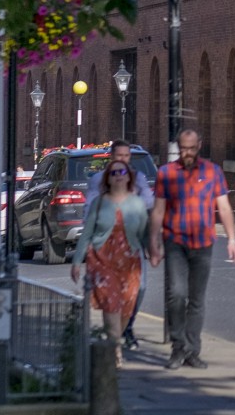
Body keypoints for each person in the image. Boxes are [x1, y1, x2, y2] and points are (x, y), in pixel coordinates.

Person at [149, 129, 235, 370]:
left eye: (191, 148)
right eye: (183, 148)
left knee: (197, 300)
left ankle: (192, 350)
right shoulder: (166, 173)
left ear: (199, 145)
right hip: (175, 242)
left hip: (203, 243)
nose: (187, 153)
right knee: (177, 295)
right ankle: (177, 348)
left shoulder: (212, 172)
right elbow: (158, 210)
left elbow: (224, 207)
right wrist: (153, 243)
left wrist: (232, 239)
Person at [70, 161, 149, 368]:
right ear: (108, 178)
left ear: (128, 176)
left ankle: (113, 340)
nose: (118, 175)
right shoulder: (99, 203)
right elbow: (87, 233)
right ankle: (115, 351)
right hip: (102, 258)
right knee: (111, 303)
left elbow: (144, 233)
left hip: (130, 261)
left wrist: (154, 250)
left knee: (126, 307)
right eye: (113, 173)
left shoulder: (136, 204)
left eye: (122, 171)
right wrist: (77, 261)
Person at [84, 141, 155, 349]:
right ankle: (116, 337)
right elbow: (90, 209)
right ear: (111, 157)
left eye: (126, 156)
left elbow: (149, 203)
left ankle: (127, 326)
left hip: (132, 241)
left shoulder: (139, 179)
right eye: (119, 155)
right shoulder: (98, 179)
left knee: (139, 287)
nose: (122, 159)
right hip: (106, 243)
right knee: (111, 290)